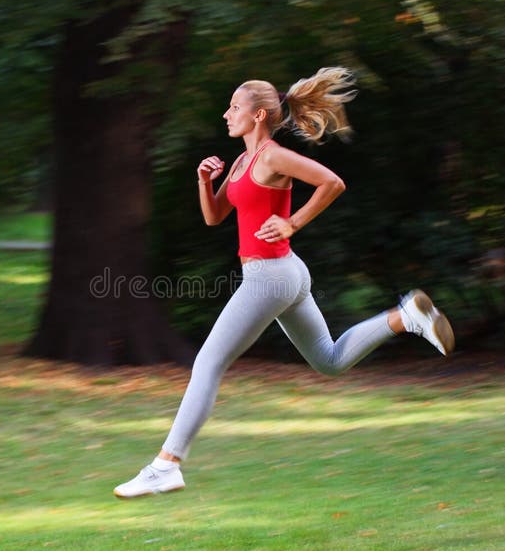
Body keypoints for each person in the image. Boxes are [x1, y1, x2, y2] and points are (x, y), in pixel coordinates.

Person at [114, 68, 454, 499]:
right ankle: (403, 317)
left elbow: (332, 182)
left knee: (208, 364)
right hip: (285, 274)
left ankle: (167, 464)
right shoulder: (241, 161)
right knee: (329, 360)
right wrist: (205, 182)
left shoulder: (273, 156)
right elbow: (215, 217)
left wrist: (292, 222)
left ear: (257, 115)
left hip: (269, 278)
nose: (226, 114)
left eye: (234, 107)